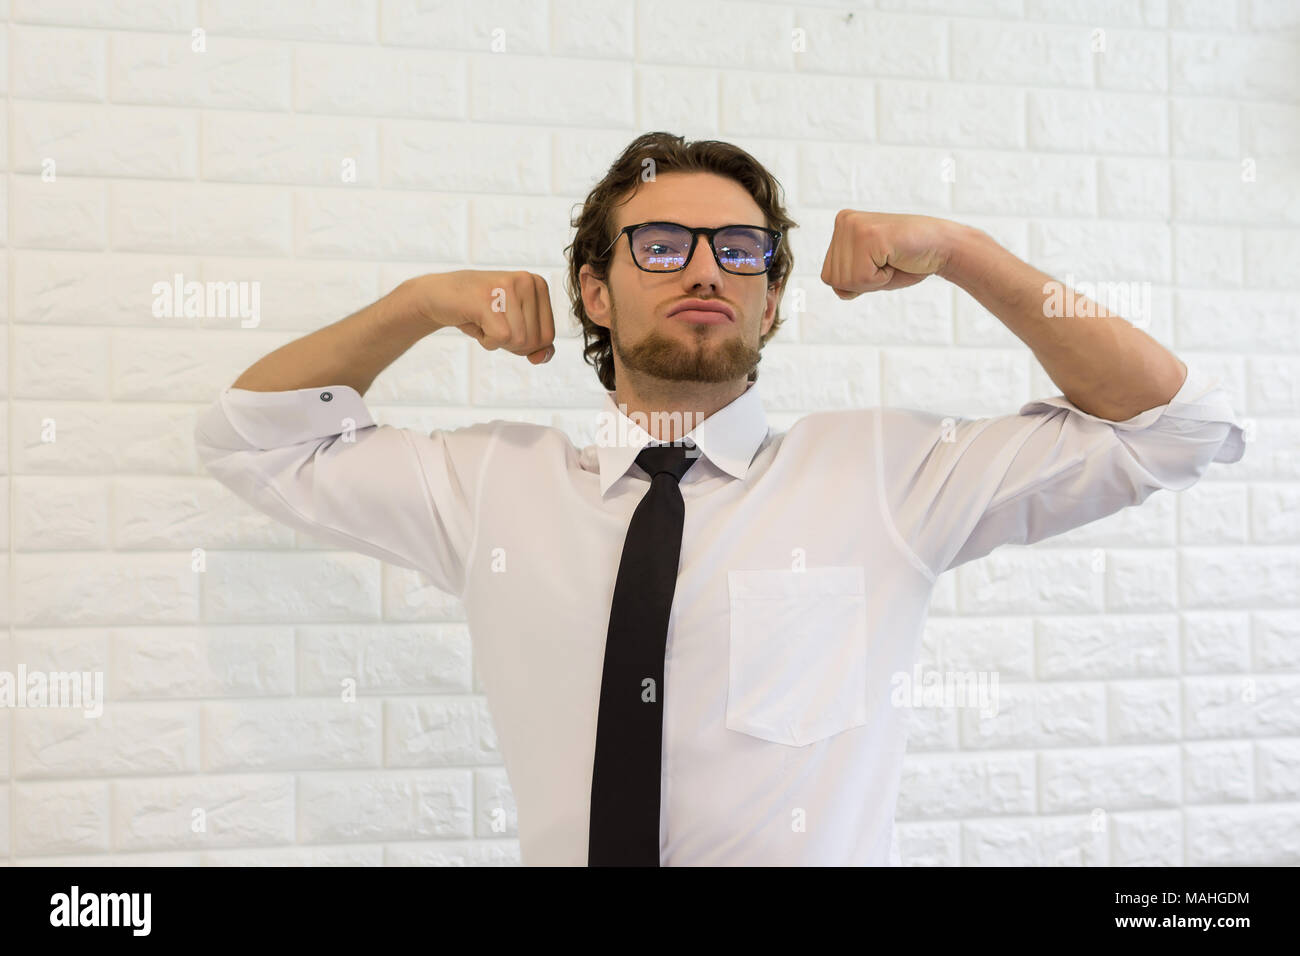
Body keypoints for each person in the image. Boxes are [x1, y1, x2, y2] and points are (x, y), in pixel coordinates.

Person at [194, 131, 1245, 866]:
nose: (705, 267)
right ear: (594, 292)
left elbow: (1172, 428)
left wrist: (962, 253)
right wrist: (421, 303)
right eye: (661, 243)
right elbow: (252, 439)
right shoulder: (490, 488)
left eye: (739, 250)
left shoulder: (886, 476)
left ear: (771, 295)